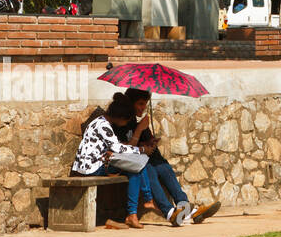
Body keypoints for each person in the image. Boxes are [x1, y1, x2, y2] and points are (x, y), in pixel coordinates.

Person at [116, 89, 221, 226]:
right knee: (149, 168)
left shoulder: (138, 123)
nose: (143, 108)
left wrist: (149, 142)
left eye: (145, 104)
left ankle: (184, 207)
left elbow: (142, 144)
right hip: (128, 164)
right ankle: (170, 212)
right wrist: (139, 131)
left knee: (163, 166)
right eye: (140, 104)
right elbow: (123, 149)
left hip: (144, 159)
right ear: (131, 103)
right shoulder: (121, 121)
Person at [70, 94, 151, 228]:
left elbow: (113, 147)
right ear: (120, 117)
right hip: (91, 167)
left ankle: (135, 211)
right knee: (136, 168)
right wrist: (141, 150)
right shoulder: (103, 125)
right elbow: (117, 147)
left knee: (136, 169)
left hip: (93, 163)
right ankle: (140, 206)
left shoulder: (101, 122)